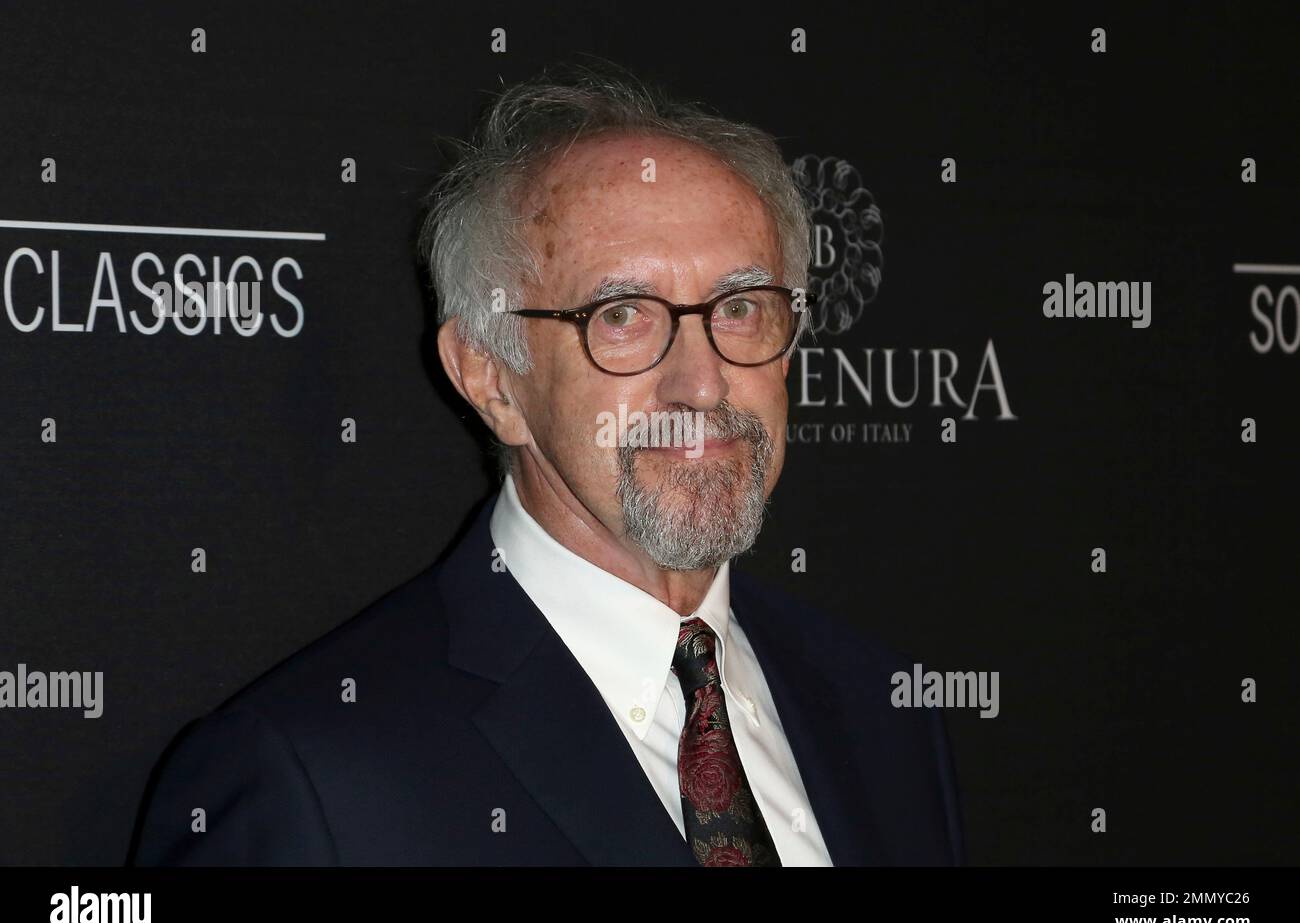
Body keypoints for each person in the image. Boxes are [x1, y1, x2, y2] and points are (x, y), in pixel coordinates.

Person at [129, 61, 965, 867]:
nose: (703, 382)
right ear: (491, 377)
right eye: (623, 315)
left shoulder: (879, 706)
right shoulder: (310, 778)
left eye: (739, 307)